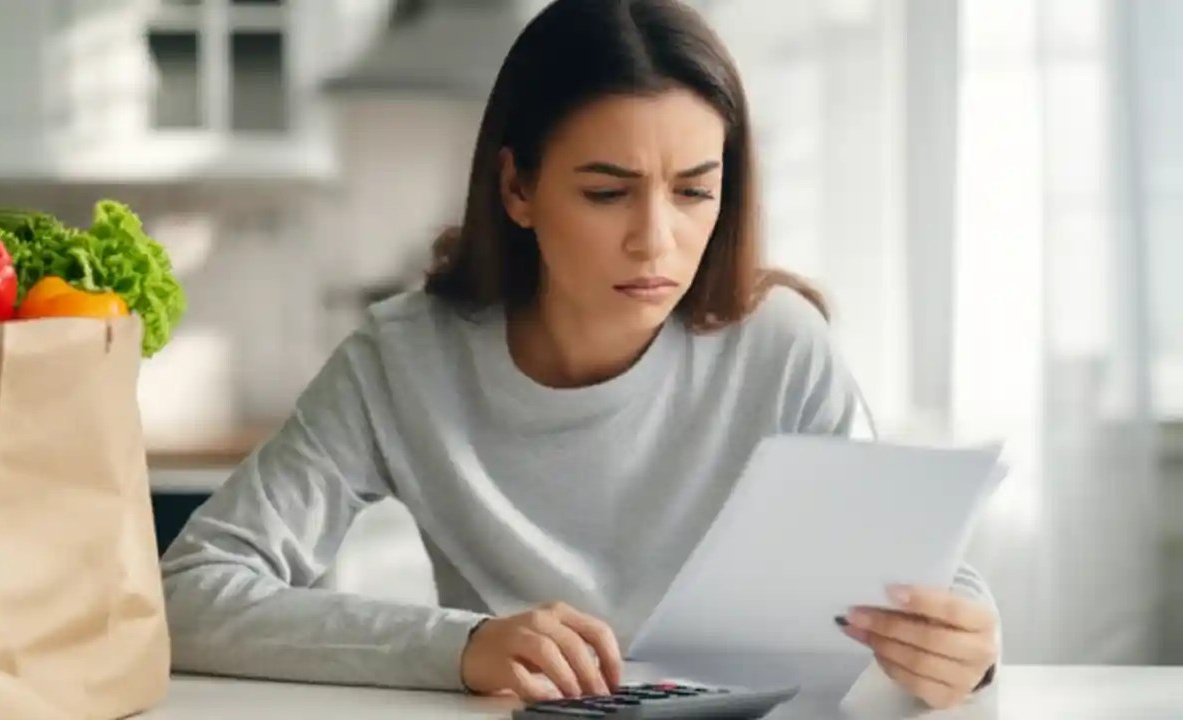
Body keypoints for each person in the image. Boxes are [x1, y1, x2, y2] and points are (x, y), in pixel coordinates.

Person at [160, 0, 1000, 710]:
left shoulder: (779, 344)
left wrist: (968, 641)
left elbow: (923, 577)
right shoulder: (404, 359)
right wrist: (464, 647)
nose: (655, 241)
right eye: (606, 193)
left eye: (695, 191)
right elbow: (190, 594)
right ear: (517, 188)